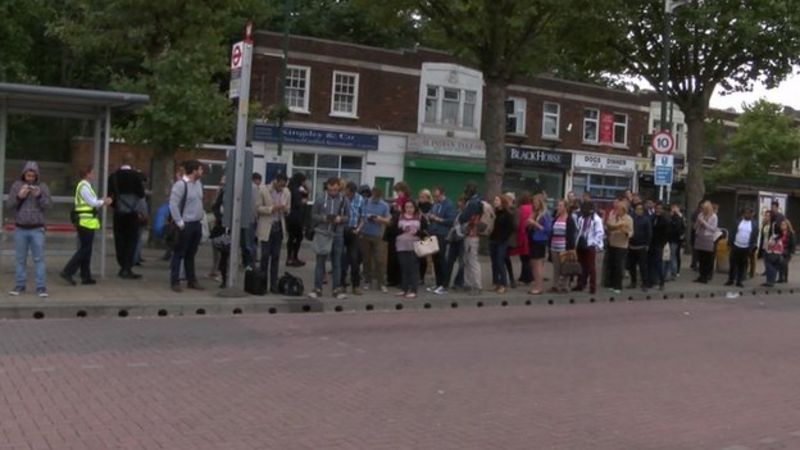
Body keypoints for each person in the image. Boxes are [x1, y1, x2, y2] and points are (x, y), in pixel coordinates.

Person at [7, 161, 52, 297]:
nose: (30, 179)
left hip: (37, 229)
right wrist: (19, 196)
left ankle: (41, 287)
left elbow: (49, 205)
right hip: (20, 228)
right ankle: (19, 286)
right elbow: (9, 205)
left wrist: (39, 196)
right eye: (28, 175)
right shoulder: (17, 185)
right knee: (20, 259)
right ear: (24, 174)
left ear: (37, 176)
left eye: (33, 176)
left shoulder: (42, 186)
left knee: (39, 259)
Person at [60, 166, 112, 286]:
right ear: (87, 174)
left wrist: (101, 200)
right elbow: (92, 203)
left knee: (86, 249)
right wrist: (104, 201)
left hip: (87, 221)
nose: (94, 175)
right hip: (85, 221)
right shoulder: (84, 186)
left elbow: (91, 202)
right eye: (92, 173)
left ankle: (86, 276)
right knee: (85, 249)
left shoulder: (85, 186)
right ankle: (68, 271)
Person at [169, 160, 206, 293]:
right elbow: (173, 204)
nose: (202, 172)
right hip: (186, 224)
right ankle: (175, 281)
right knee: (179, 253)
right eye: (200, 169)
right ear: (194, 171)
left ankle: (191, 280)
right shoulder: (180, 185)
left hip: (197, 223)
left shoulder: (199, 184)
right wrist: (179, 222)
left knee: (191, 253)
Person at [309, 177, 349, 300]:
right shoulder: (320, 198)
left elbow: (348, 217)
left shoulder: (344, 199)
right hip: (323, 233)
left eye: (335, 190)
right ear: (327, 187)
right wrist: (324, 218)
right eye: (330, 190)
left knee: (336, 263)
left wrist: (340, 219)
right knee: (320, 262)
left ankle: (336, 289)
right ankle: (317, 288)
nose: (333, 192)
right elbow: (313, 215)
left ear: (339, 187)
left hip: (337, 234)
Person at [108, 153, 146, 279]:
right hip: (132, 213)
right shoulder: (136, 176)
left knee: (119, 239)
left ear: (122, 161)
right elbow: (141, 194)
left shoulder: (113, 176)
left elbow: (110, 196)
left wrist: (116, 206)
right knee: (131, 240)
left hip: (118, 212)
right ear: (132, 162)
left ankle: (122, 264)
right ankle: (127, 267)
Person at [256, 173, 291, 294]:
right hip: (266, 227)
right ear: (275, 181)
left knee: (276, 256)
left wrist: (285, 209)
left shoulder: (286, 192)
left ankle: (274, 284)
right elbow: (258, 208)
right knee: (265, 256)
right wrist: (271, 209)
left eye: (284, 186)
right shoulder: (264, 190)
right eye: (280, 185)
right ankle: (262, 283)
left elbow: (288, 209)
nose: (282, 188)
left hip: (278, 227)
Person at [392, 200, 428, 299]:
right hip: (401, 245)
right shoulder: (399, 216)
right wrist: (402, 229)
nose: (409, 209)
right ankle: (404, 289)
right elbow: (392, 230)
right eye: (407, 207)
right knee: (404, 268)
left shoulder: (420, 217)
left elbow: (426, 232)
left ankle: (414, 290)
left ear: (415, 207)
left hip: (415, 246)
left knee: (413, 268)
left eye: (411, 207)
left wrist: (417, 232)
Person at [360, 187, 391, 293]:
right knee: (366, 259)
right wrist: (367, 217)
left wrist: (380, 219)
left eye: (377, 198)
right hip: (365, 233)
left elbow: (388, 220)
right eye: (373, 197)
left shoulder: (384, 205)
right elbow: (361, 215)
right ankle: (367, 281)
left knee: (379, 260)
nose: (375, 199)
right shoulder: (365, 202)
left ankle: (381, 283)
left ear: (380, 196)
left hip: (378, 235)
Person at [427, 186, 456, 295]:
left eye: (437, 196)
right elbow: (431, 214)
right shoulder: (435, 204)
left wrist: (437, 219)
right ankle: (438, 283)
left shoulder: (448, 205)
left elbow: (451, 221)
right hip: (433, 232)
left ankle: (444, 285)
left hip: (442, 234)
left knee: (441, 259)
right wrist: (429, 216)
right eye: (434, 196)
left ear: (443, 194)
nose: (435, 198)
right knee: (435, 259)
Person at [573, 201, 604, 294]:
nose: (582, 211)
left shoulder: (596, 219)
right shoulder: (581, 218)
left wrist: (594, 243)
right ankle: (580, 284)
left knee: (591, 266)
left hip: (590, 245)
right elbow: (578, 230)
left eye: (584, 209)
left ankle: (592, 286)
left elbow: (600, 232)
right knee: (581, 265)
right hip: (581, 244)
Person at [460, 181, 484, 294]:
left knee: (471, 260)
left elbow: (464, 217)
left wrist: (462, 215)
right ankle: (469, 283)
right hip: (473, 233)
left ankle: (476, 285)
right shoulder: (478, 201)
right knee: (469, 259)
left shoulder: (473, 203)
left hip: (471, 233)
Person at [341, 181, 365, 295]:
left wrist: (358, 229)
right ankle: (341, 284)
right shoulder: (341, 198)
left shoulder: (360, 199)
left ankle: (356, 285)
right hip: (341, 230)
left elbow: (363, 217)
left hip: (354, 230)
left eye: (351, 193)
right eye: (347, 192)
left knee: (355, 259)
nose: (348, 195)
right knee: (342, 259)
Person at [726, 207, 758, 288]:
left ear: (752, 214)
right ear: (743, 214)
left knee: (742, 265)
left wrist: (753, 247)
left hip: (746, 247)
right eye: (745, 213)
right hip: (736, 245)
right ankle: (731, 279)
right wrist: (729, 244)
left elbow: (755, 236)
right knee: (732, 263)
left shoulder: (754, 224)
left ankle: (739, 281)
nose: (747, 215)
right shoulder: (738, 222)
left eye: (749, 213)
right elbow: (732, 232)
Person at [605, 199, 633, 294]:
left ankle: (618, 286)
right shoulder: (613, 217)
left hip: (622, 245)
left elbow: (631, 232)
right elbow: (608, 226)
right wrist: (608, 229)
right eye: (616, 208)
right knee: (612, 265)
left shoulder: (628, 219)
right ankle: (612, 284)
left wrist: (625, 232)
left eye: (619, 209)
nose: (617, 210)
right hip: (612, 243)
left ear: (623, 210)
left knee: (619, 265)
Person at [489, 194, 515, 294]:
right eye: (495, 200)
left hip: (502, 241)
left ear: (502, 202)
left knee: (500, 261)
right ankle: (495, 282)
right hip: (493, 239)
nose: (495, 202)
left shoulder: (507, 214)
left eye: (497, 200)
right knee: (494, 262)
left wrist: (504, 238)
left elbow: (511, 228)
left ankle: (503, 284)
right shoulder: (495, 213)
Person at [549, 199, 577, 293]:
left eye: (561, 206)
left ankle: (565, 286)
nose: (558, 207)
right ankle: (555, 285)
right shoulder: (556, 218)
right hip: (554, 245)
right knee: (556, 267)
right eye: (558, 205)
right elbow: (552, 231)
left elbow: (571, 234)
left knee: (565, 266)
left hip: (564, 246)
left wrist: (571, 248)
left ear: (565, 207)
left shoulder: (569, 219)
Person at [527, 194, 552, 295]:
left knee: (538, 264)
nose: (534, 204)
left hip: (540, 240)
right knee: (533, 264)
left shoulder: (545, 214)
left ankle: (539, 287)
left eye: (536, 202)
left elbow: (547, 229)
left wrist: (534, 223)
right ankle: (536, 284)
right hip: (532, 239)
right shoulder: (534, 213)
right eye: (533, 202)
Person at [443, 196, 467, 292]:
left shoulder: (467, 214)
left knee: (461, 262)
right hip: (454, 239)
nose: (459, 204)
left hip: (462, 239)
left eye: (462, 202)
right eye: (459, 201)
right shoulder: (456, 212)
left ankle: (458, 282)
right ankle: (446, 282)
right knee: (449, 261)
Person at [508, 192, 533, 286]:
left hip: (523, 234)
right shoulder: (531, 208)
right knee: (528, 257)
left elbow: (520, 223)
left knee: (524, 257)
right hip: (531, 235)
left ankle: (526, 278)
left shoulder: (521, 209)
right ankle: (526, 277)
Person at [285, 173, 309, 267]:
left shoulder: (291, 187)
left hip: (291, 217)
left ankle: (290, 257)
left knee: (292, 237)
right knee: (298, 237)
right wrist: (302, 201)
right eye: (303, 181)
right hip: (295, 217)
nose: (304, 183)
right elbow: (296, 202)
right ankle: (293, 257)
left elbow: (306, 193)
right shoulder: (295, 190)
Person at [693, 200, 718, 284]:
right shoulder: (700, 215)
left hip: (707, 238)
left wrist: (704, 222)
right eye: (703, 208)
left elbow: (713, 229)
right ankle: (701, 275)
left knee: (707, 259)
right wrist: (697, 223)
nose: (703, 210)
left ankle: (705, 276)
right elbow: (695, 227)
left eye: (705, 209)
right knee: (700, 258)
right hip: (700, 237)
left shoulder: (714, 216)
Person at [647, 203, 669, 290]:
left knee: (659, 264)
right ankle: (650, 281)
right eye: (657, 208)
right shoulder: (652, 218)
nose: (658, 210)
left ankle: (661, 282)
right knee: (650, 263)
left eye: (660, 208)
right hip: (651, 244)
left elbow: (666, 234)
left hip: (658, 244)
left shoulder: (665, 220)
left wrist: (662, 244)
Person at [764, 220, 790, 287]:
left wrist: (786, 251)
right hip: (778, 252)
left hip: (784, 252)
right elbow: (774, 242)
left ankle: (783, 278)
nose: (782, 226)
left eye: (784, 224)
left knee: (783, 264)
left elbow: (791, 245)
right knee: (777, 264)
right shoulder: (779, 234)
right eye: (781, 225)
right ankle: (777, 279)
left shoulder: (789, 234)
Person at [417, 189, 434, 286]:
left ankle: (421, 277)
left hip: (426, 234)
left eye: (423, 197)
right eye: (420, 196)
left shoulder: (431, 207)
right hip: (417, 233)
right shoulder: (417, 206)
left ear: (428, 198)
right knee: (416, 255)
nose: (420, 198)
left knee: (424, 255)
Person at [666, 203, 685, 281]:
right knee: (672, 256)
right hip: (673, 239)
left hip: (674, 239)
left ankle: (672, 273)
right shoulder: (673, 218)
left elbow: (678, 229)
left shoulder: (677, 218)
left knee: (672, 256)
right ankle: (672, 272)